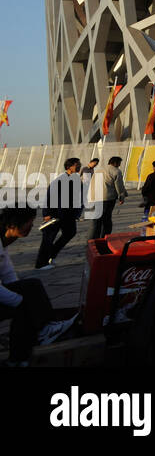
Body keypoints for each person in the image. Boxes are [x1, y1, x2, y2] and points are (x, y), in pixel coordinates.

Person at [1, 208, 78, 366]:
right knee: (24, 302)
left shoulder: (4, 242)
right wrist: (20, 300)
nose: (31, 226)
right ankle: (42, 334)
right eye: (27, 224)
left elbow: (8, 275)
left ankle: (21, 356)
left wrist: (23, 296)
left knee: (30, 289)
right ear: (11, 225)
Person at [35, 159, 82, 270]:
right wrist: (47, 214)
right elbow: (49, 197)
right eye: (77, 165)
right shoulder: (59, 181)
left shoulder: (76, 180)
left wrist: (77, 212)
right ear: (69, 167)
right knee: (48, 238)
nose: (79, 166)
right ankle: (41, 264)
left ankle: (51, 255)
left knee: (70, 232)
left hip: (68, 214)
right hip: (56, 214)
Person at [88, 156, 126, 239]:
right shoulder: (116, 171)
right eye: (119, 163)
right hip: (107, 198)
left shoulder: (99, 170)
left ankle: (92, 240)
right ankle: (104, 238)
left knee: (96, 221)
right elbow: (119, 186)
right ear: (116, 163)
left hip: (94, 197)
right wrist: (122, 196)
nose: (119, 165)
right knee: (106, 220)